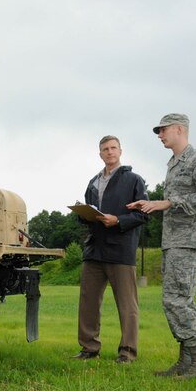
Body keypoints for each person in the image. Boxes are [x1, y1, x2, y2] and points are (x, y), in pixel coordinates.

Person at [127, 114, 196, 379]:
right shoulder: (173, 164)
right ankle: (186, 360)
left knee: (175, 300)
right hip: (173, 239)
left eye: (163, 130)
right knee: (178, 300)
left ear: (179, 129)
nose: (160, 135)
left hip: (188, 240)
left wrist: (168, 202)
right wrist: (151, 204)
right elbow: (175, 201)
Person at [73, 136, 149, 363]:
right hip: (94, 250)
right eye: (105, 149)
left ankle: (127, 352)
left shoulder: (134, 180)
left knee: (127, 305)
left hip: (121, 250)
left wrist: (118, 220)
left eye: (113, 148)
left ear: (120, 151)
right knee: (88, 303)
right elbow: (89, 216)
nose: (109, 152)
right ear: (100, 154)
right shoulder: (93, 182)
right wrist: (83, 214)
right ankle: (89, 348)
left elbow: (143, 215)